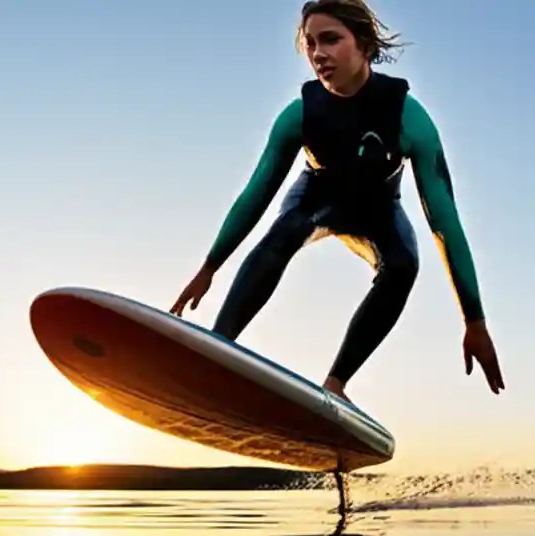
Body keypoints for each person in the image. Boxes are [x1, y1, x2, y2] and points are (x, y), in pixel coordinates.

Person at [170, 0, 505, 406]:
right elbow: (257, 193)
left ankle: (336, 384)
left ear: (364, 45)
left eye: (330, 40)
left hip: (378, 210)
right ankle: (216, 350)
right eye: (310, 44)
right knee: (287, 227)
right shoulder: (300, 116)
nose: (317, 54)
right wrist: (209, 267)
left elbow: (444, 221)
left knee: (401, 265)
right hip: (317, 198)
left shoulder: (408, 119)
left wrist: (474, 320)